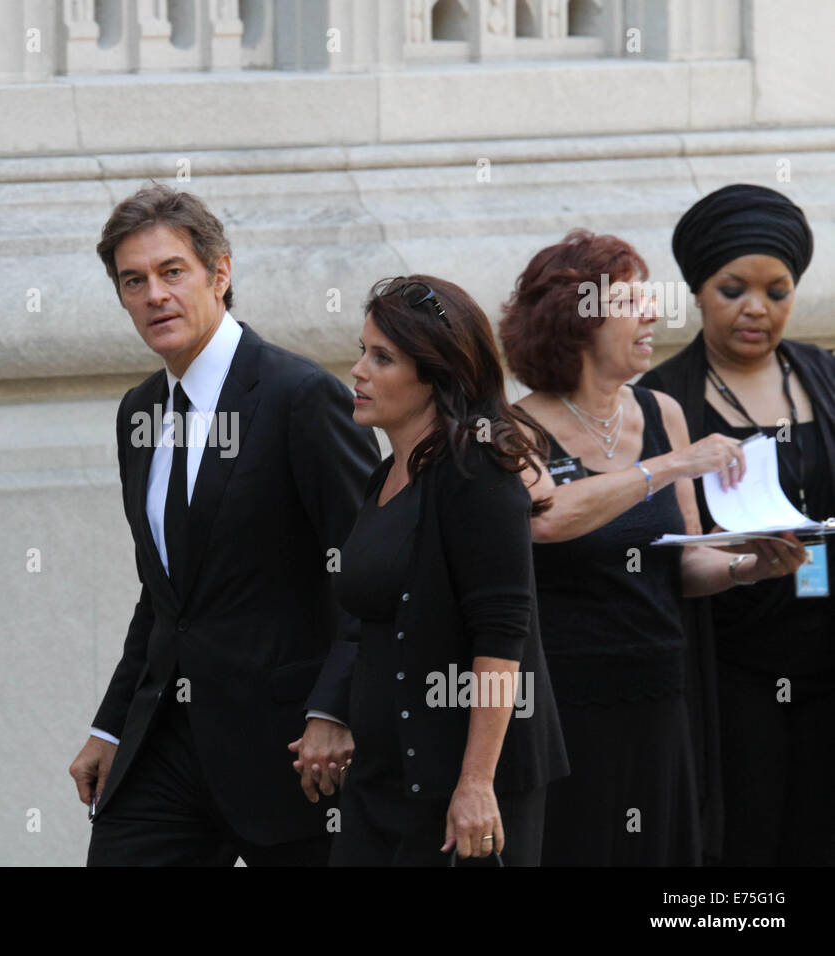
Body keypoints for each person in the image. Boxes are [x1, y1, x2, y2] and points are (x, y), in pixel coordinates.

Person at [67, 183, 380, 865]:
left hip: (293, 749)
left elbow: (372, 569)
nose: (154, 294)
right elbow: (165, 596)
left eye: (172, 271)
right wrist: (111, 725)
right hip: (166, 751)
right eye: (133, 280)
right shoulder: (139, 412)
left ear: (220, 273)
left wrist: (335, 709)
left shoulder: (300, 396)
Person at [500, 228, 806, 866]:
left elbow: (686, 558)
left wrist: (749, 564)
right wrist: (669, 466)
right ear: (574, 319)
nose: (653, 313)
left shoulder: (659, 410)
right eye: (630, 301)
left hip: (661, 690)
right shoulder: (515, 428)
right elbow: (546, 520)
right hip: (564, 701)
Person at [299, 275, 569, 866]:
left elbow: (502, 636)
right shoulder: (386, 478)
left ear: (437, 376)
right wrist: (331, 711)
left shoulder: (478, 475)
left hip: (465, 789)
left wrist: (475, 784)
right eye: (363, 350)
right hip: (382, 775)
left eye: (383, 358)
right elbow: (366, 618)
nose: (358, 371)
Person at [639, 183, 835, 865]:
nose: (758, 309)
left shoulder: (822, 375)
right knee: (743, 834)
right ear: (697, 291)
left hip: (826, 651)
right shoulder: (663, 400)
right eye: (734, 289)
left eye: (777, 292)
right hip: (728, 666)